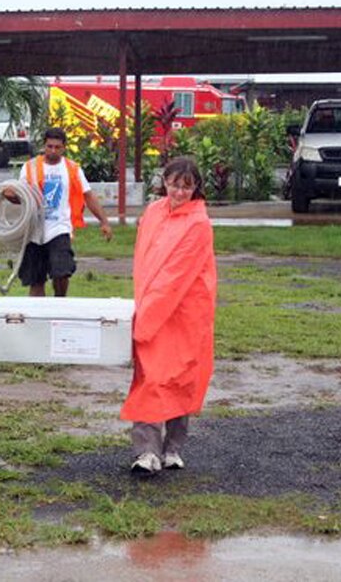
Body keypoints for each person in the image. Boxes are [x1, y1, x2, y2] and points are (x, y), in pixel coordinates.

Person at [120, 156, 217, 475]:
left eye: (186, 187)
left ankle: (173, 447)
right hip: (152, 306)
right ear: (164, 181)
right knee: (151, 377)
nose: (178, 192)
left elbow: (176, 275)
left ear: (195, 189)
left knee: (179, 376)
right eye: (174, 184)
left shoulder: (198, 223)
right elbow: (144, 262)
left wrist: (147, 315)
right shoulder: (153, 212)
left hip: (185, 313)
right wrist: (145, 307)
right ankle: (146, 452)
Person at [6, 127, 113, 297]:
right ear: (44, 146)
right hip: (34, 230)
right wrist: (11, 196)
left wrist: (104, 222)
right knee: (36, 281)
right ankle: (38, 315)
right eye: (49, 146)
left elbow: (89, 196)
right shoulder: (29, 168)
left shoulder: (72, 169)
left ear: (64, 148)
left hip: (59, 228)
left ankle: (60, 304)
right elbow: (22, 197)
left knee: (61, 271)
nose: (53, 151)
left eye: (57, 147)